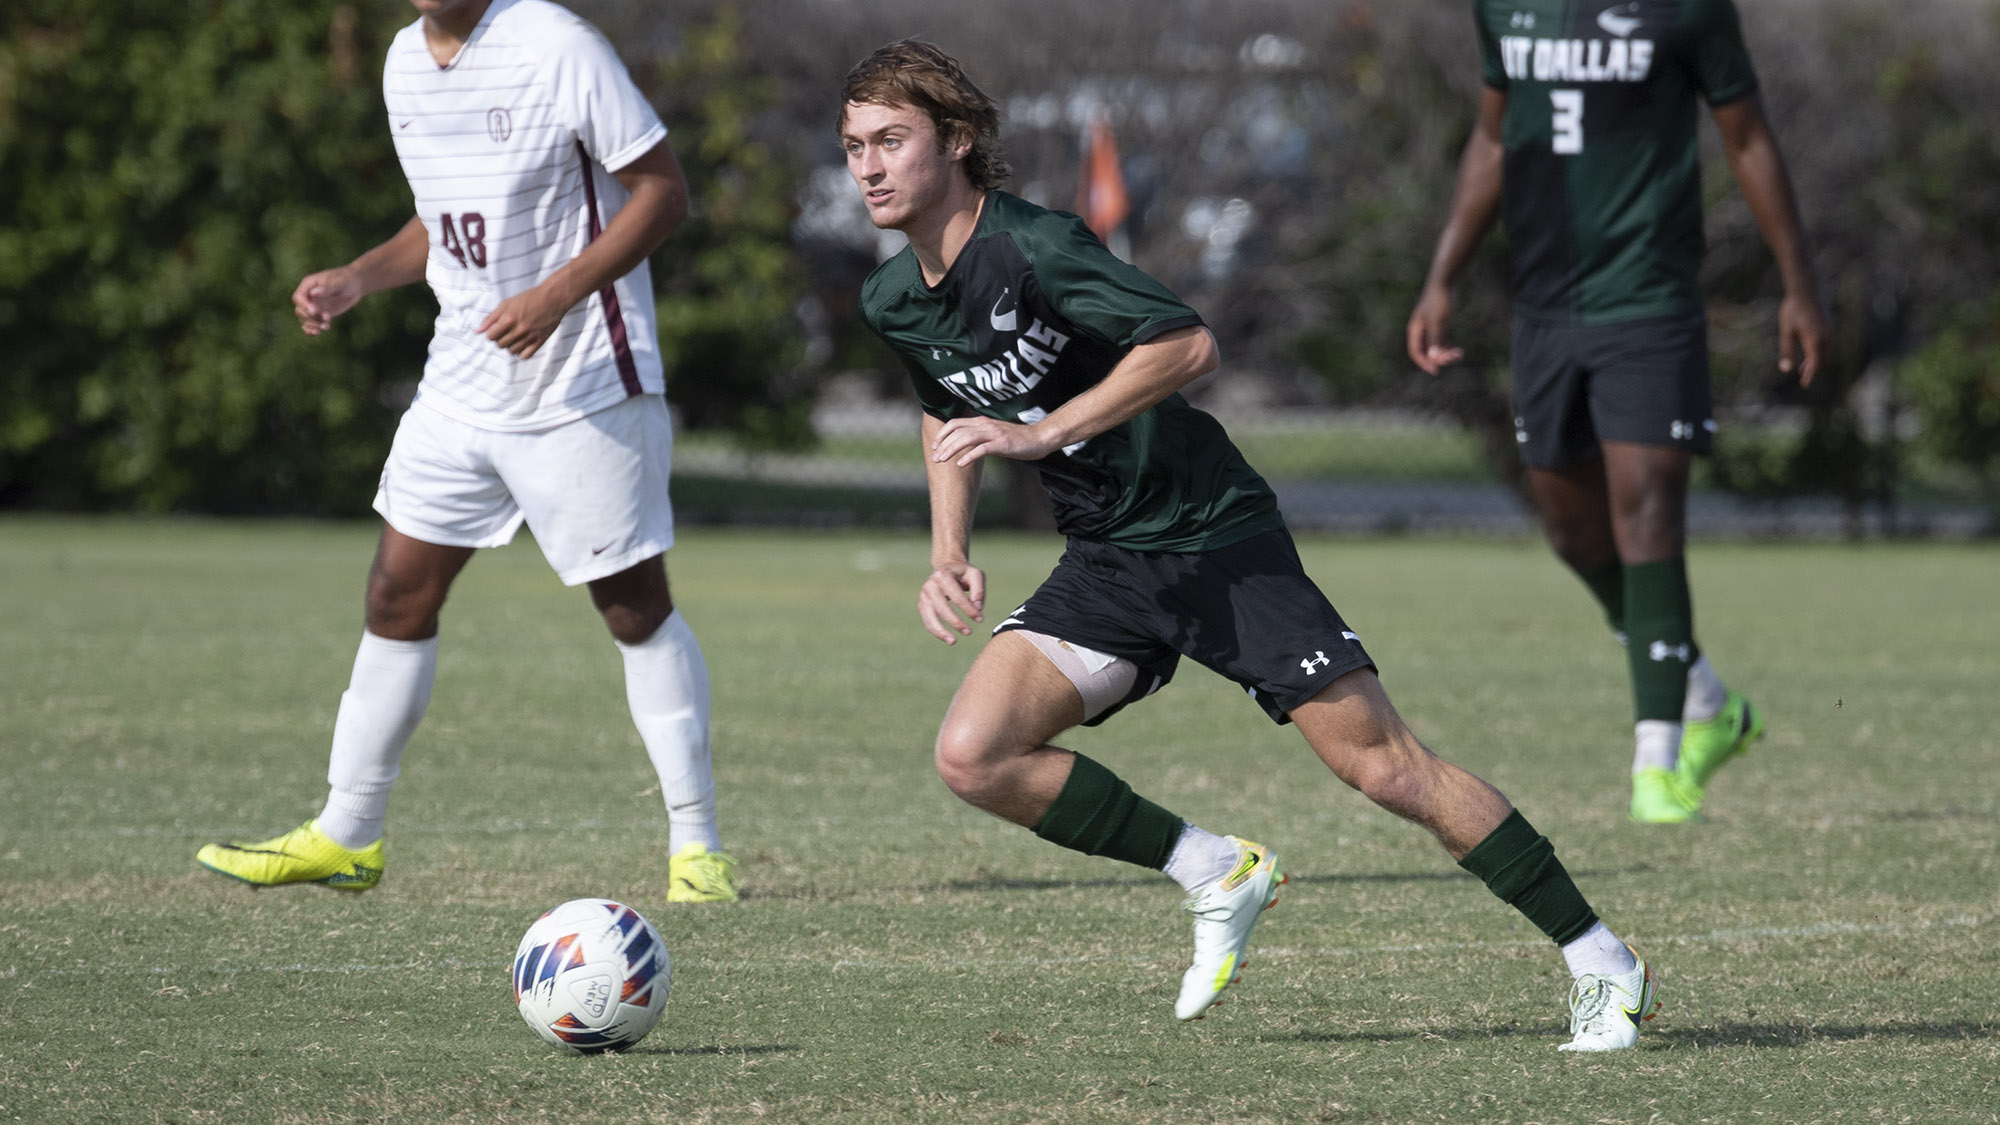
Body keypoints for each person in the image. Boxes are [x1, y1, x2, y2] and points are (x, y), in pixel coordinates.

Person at [840, 38, 1657, 1050]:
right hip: (1105, 556)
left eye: (890, 140)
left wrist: (1044, 432)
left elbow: (1185, 345)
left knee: (1386, 771)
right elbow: (946, 416)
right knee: (975, 754)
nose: (866, 167)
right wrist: (947, 548)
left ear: (955, 142)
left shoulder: (1034, 247)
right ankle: (1213, 868)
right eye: (852, 147)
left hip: (1212, 538)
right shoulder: (891, 300)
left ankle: (1598, 958)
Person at [196, 0, 738, 904]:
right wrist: (359, 277)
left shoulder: (556, 45)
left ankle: (698, 847)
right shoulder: (404, 62)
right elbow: (443, 224)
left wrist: (558, 293)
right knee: (396, 592)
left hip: (584, 382)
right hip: (461, 380)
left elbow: (664, 191)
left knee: (634, 609)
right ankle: (348, 833)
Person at [1407, 0, 1830, 823]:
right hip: (1543, 309)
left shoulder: (1687, 8)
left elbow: (1746, 137)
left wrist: (1800, 282)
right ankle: (1710, 699)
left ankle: (1657, 761)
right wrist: (1443, 275)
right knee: (1572, 530)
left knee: (1646, 513)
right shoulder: (1504, 8)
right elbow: (1493, 137)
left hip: (1651, 303)